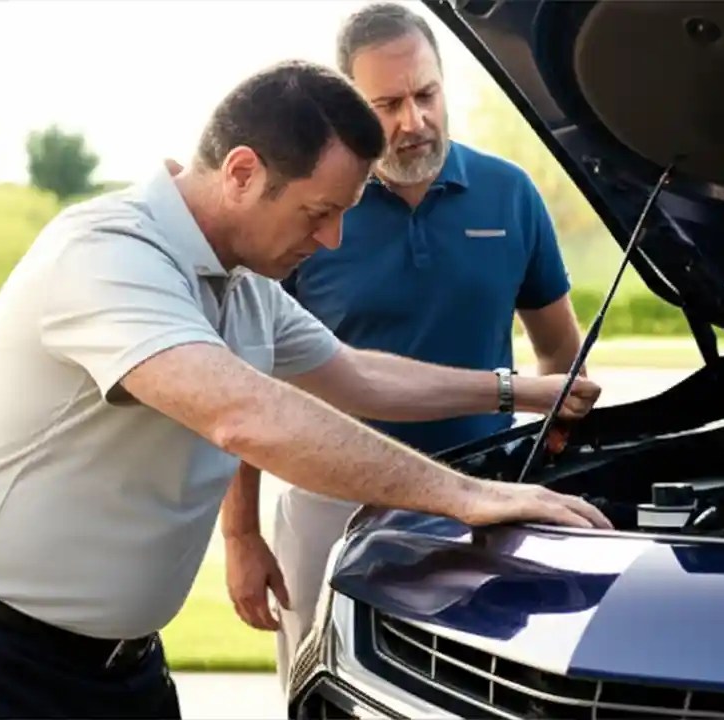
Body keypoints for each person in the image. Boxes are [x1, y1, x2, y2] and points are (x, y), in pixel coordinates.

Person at [0, 59, 608, 719]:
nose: (333, 238)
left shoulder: (243, 286)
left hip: (126, 667)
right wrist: (469, 496)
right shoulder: (107, 257)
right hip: (12, 666)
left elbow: (359, 376)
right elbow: (245, 417)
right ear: (242, 172)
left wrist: (525, 391)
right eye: (319, 212)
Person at [218, 2, 590, 690]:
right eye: (386, 104)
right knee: (324, 687)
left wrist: (560, 431)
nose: (412, 122)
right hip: (329, 506)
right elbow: (247, 381)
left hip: (484, 498)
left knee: (471, 692)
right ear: (348, 111)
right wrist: (241, 535)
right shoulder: (310, 212)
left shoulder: (511, 195)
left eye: (425, 95)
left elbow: (560, 359)